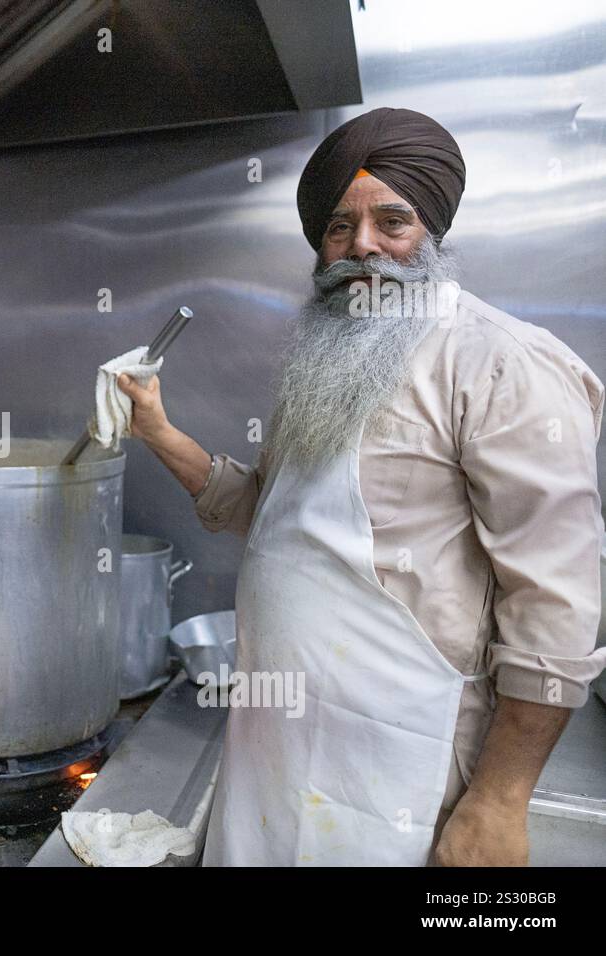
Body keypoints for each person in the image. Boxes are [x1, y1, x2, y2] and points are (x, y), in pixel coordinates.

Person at [119, 107, 605, 866]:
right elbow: (276, 514)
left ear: (433, 228)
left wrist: (501, 800)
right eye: (339, 227)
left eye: (393, 221)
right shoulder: (328, 356)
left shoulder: (499, 362)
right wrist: (157, 431)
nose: (362, 247)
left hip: (396, 767)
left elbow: (555, 603)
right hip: (272, 745)